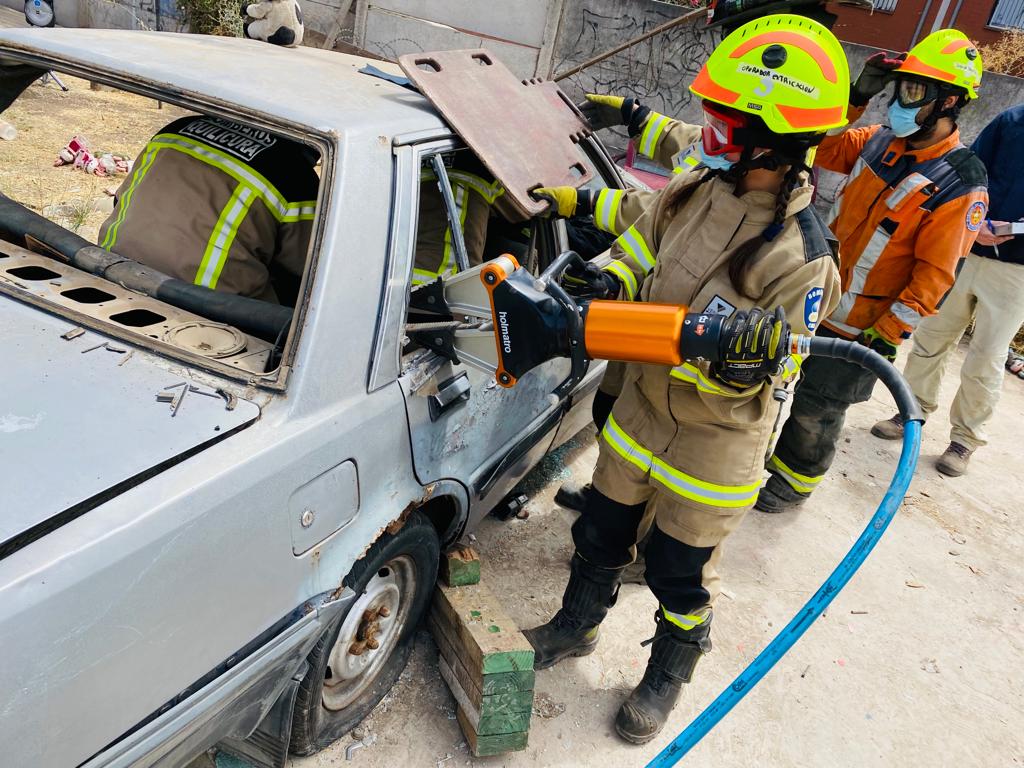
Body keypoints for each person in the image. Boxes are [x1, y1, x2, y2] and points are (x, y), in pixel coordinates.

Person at [525, 14, 845, 744]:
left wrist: (736, 363)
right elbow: (644, 240)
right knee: (601, 532)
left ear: (773, 137)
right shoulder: (698, 187)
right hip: (639, 411)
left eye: (724, 117)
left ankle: (668, 672)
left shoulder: (803, 255)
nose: (706, 126)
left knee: (679, 570)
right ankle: (576, 624)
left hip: (713, 444)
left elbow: (782, 368)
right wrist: (605, 276)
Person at [755, 29, 988, 512]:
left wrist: (888, 334)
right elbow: (813, 142)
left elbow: (936, 275)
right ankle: (753, 461)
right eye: (899, 86)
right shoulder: (876, 141)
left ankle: (793, 484)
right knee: (764, 380)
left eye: (915, 91)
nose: (901, 100)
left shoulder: (959, 182)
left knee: (818, 408)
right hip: (810, 297)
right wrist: (856, 98)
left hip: (861, 326)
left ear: (949, 103)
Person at [870, 105, 1024, 476]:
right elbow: (972, 169)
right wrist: (977, 220)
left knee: (987, 355)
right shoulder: (1011, 121)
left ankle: (964, 440)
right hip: (965, 248)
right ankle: (912, 412)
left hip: (1017, 268)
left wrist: (1015, 229)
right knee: (932, 337)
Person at [98, 114, 319, 305]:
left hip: (112, 266)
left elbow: (121, 200)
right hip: (209, 307)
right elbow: (307, 268)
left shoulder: (177, 128)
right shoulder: (295, 174)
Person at [413, 152, 503, 286]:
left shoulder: (416, 153)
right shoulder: (489, 164)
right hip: (443, 288)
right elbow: (523, 210)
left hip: (396, 279)